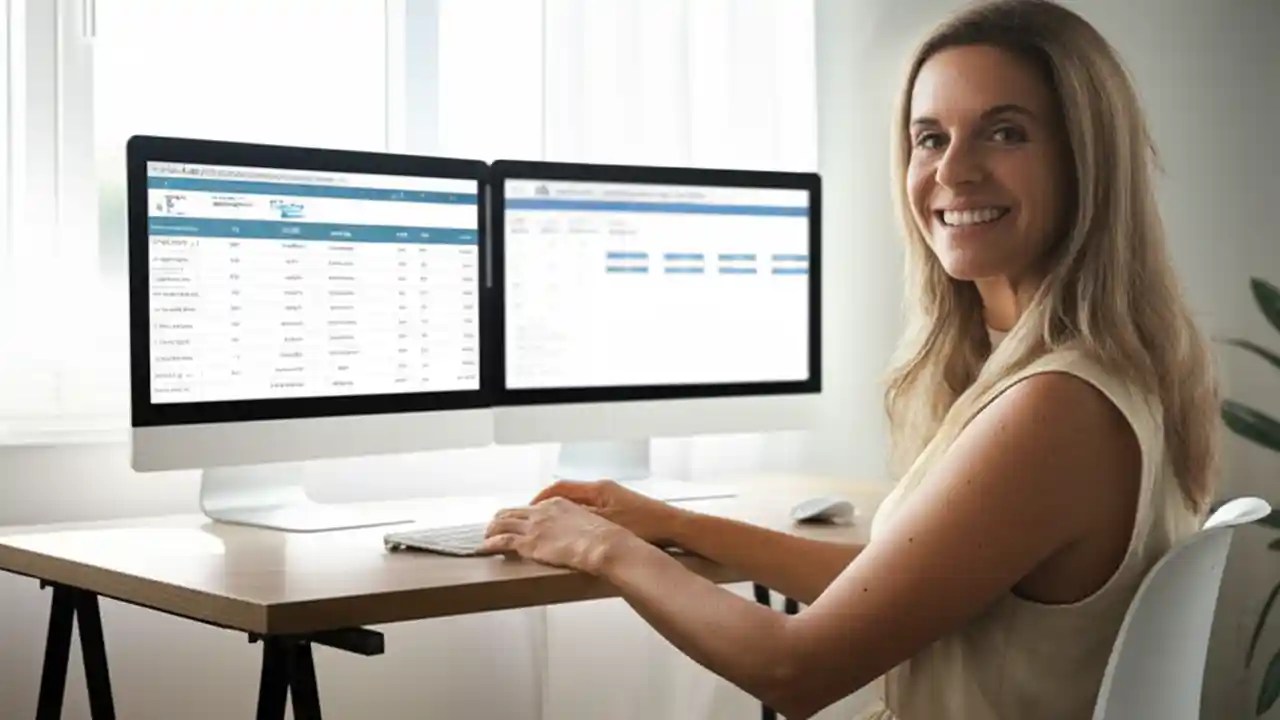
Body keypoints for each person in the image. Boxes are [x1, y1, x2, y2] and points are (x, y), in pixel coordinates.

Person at [481, 1, 1220, 717]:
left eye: (1005, 132)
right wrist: (663, 521)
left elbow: (795, 670)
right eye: (930, 138)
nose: (954, 171)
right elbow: (885, 592)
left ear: (1086, 161)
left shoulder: (1056, 407)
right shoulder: (1087, 370)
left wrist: (607, 551)